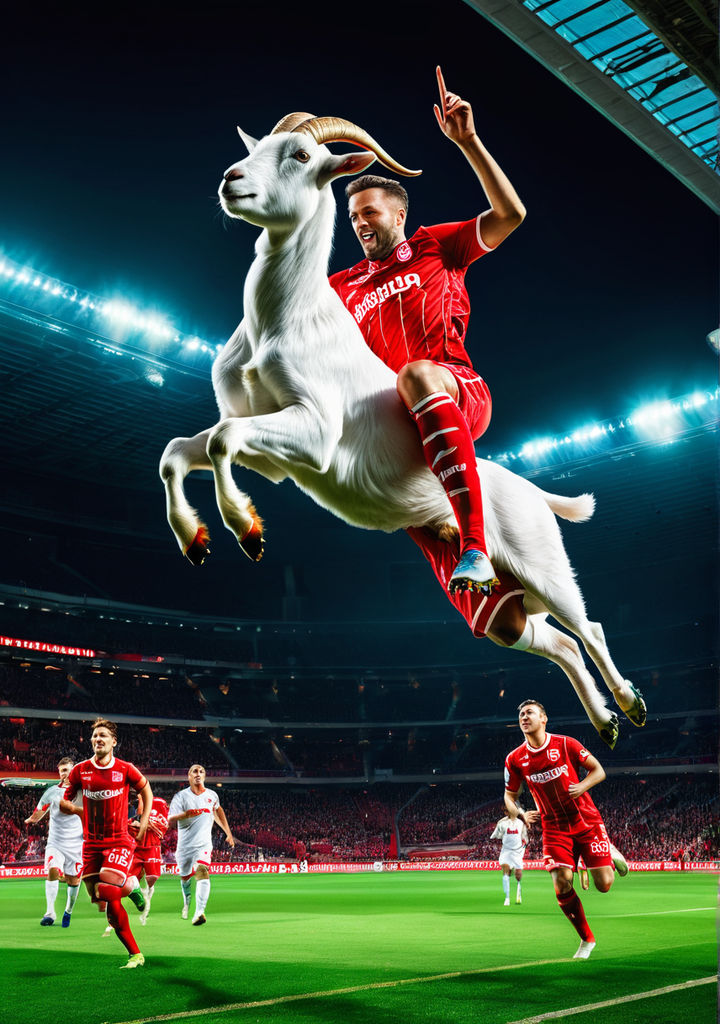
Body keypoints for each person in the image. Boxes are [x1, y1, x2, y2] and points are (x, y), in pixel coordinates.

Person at [330, 65, 526, 601]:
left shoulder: (435, 246)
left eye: (369, 211)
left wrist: (470, 142)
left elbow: (511, 214)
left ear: (399, 214)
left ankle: (476, 545)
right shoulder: (340, 286)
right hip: (397, 432)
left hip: (457, 392)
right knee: (504, 628)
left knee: (415, 374)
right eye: (351, 216)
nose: (360, 222)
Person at [503, 699, 628, 960]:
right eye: (521, 714)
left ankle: (610, 849)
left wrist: (582, 786)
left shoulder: (565, 743)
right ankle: (586, 939)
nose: (524, 718)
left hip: (586, 820)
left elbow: (598, 770)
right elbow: (509, 796)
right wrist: (522, 813)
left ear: (544, 719)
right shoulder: (515, 759)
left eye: (530, 713)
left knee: (604, 885)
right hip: (554, 826)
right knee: (561, 884)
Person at [60, 718, 152, 969]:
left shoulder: (125, 769)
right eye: (94, 736)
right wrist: (77, 809)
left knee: (109, 890)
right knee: (99, 897)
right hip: (91, 844)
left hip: (118, 841)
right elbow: (64, 802)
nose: (97, 739)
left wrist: (143, 822)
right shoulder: (80, 770)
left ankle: (135, 954)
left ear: (113, 742)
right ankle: (132, 885)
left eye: (103, 735)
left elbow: (146, 791)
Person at [168, 764, 235, 925]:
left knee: (202, 870)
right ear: (188, 777)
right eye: (194, 771)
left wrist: (228, 833)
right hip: (184, 847)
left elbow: (218, 811)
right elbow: (170, 819)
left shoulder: (212, 795)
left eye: (201, 771)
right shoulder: (181, 797)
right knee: (185, 879)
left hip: (203, 845)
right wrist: (186, 814)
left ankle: (199, 912)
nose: (198, 774)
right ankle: (187, 900)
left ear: (204, 776)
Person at [24, 756, 83, 927]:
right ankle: (50, 913)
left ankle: (68, 911)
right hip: (56, 843)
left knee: (73, 881)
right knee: (53, 870)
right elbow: (39, 811)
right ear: (59, 773)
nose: (66, 773)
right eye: (63, 770)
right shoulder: (52, 792)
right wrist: (30, 819)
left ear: (74, 771)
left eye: (69, 770)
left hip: (76, 845)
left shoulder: (83, 791)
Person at [102, 793, 170, 935]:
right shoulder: (125, 804)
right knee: (124, 880)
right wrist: (130, 824)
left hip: (152, 848)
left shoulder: (158, 803)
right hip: (135, 848)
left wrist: (145, 824)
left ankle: (145, 904)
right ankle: (115, 917)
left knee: (152, 878)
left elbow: (163, 827)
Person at [491, 807, 528, 906]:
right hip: (506, 851)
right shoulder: (502, 823)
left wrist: (525, 842)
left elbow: (524, 835)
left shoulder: (520, 823)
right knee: (506, 871)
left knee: (518, 874)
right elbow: (496, 835)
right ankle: (507, 898)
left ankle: (518, 888)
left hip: (517, 851)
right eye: (506, 811)